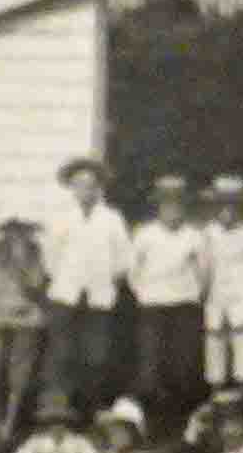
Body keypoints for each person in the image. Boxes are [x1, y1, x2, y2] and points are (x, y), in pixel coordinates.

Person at [44, 159, 132, 414]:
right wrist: (67, 279)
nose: (86, 191)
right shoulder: (61, 219)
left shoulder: (112, 219)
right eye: (80, 186)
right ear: (71, 189)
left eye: (92, 186)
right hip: (66, 295)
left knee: (96, 356)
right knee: (62, 354)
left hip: (99, 297)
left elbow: (123, 259)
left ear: (100, 189)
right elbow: (51, 258)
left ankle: (91, 410)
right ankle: (58, 410)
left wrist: (106, 282)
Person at [127, 174, 211, 414]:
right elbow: (133, 271)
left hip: (184, 305)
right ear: (158, 207)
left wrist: (193, 294)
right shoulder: (145, 234)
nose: (172, 210)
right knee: (151, 363)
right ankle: (153, 414)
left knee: (183, 363)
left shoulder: (194, 235)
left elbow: (204, 271)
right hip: (152, 306)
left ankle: (179, 416)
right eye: (167, 205)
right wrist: (145, 292)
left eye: (177, 205)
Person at [0, 214, 51, 429]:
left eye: (21, 229)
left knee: (20, 372)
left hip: (27, 316)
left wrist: (21, 263)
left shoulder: (36, 253)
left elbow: (37, 286)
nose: (16, 234)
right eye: (11, 229)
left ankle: (11, 421)